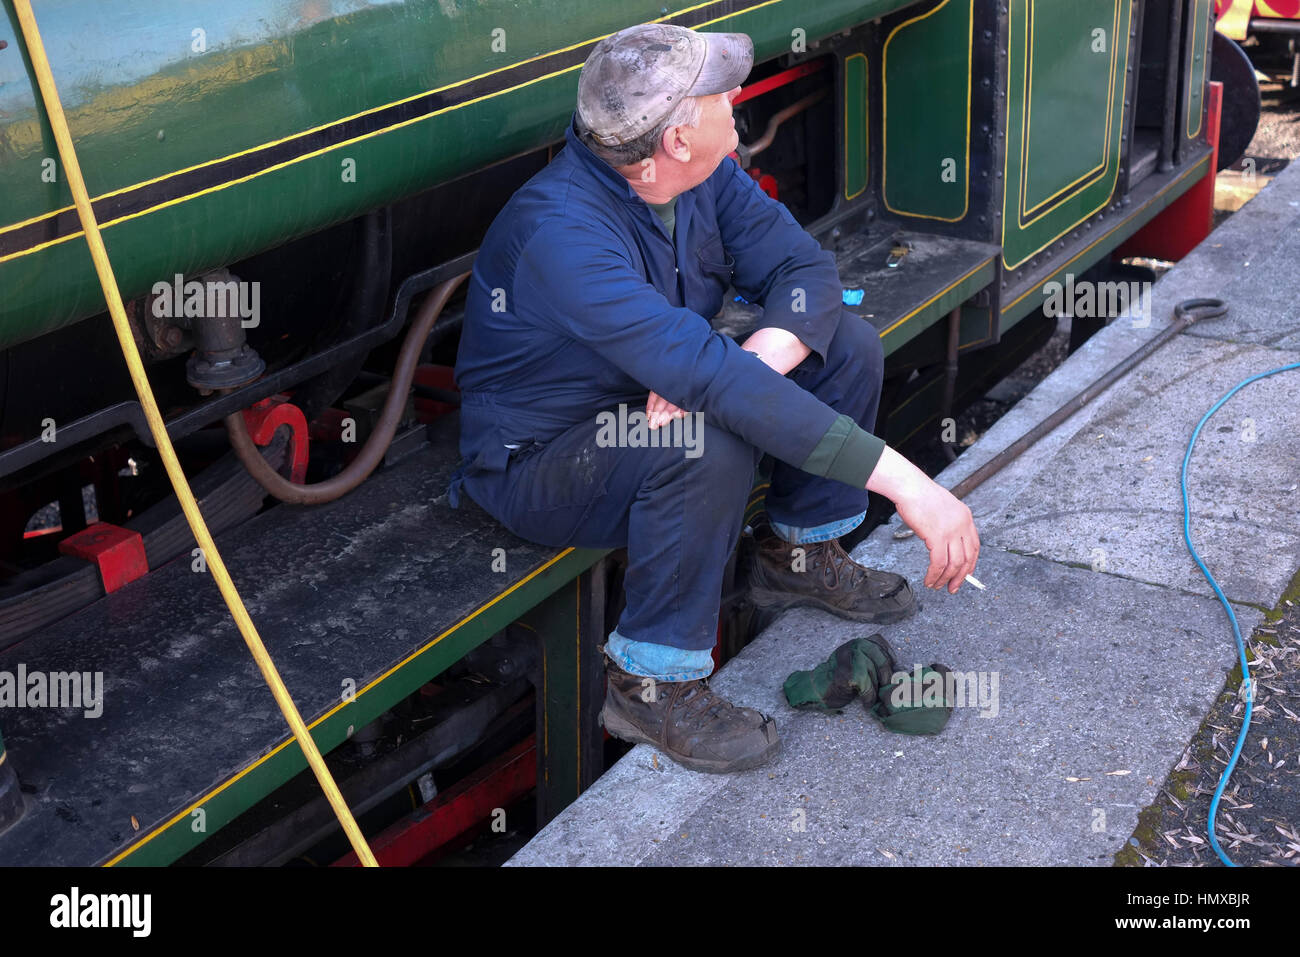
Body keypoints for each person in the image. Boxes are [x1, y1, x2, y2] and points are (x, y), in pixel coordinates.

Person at [449, 22, 979, 774]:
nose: (737, 95)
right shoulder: (560, 231)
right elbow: (712, 380)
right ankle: (651, 685)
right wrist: (907, 482)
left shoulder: (705, 174)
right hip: (544, 457)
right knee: (704, 438)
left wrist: (758, 356)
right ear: (674, 141)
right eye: (719, 93)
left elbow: (806, 271)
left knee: (846, 343)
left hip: (647, 399)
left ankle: (796, 555)